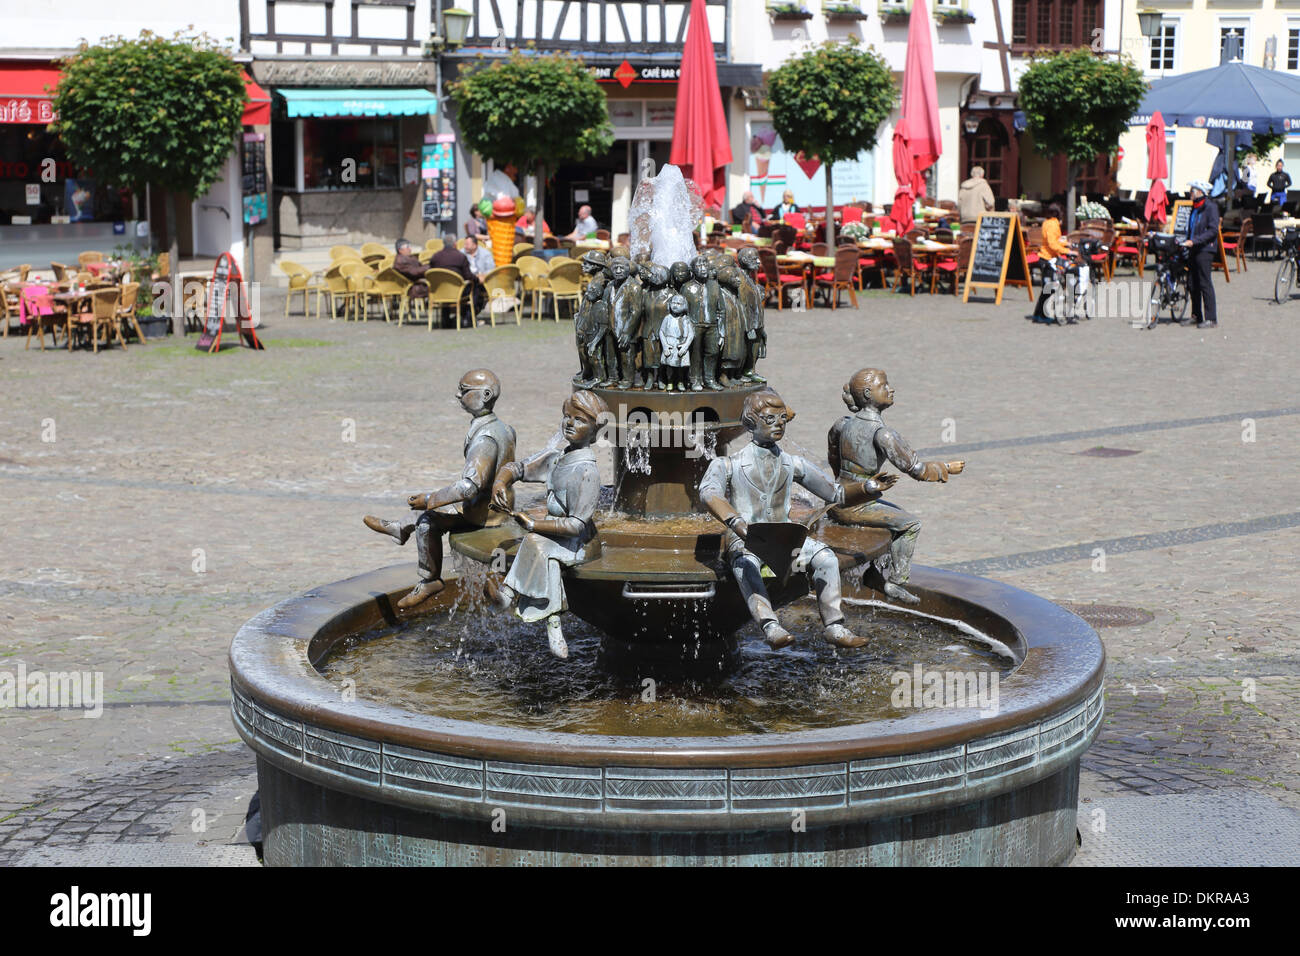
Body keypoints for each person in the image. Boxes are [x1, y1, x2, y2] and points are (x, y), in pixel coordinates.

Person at [698, 389, 894, 650]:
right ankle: (770, 626)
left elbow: (835, 493)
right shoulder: (728, 464)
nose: (778, 424)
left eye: (782, 419)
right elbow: (708, 493)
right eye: (769, 419)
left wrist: (868, 488)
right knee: (746, 564)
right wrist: (737, 523)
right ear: (750, 422)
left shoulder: (793, 463)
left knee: (825, 557)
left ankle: (834, 626)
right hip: (747, 539)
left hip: (784, 538)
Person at [363, 370, 516, 610]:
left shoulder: (485, 438)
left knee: (427, 521)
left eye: (464, 390)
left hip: (484, 516)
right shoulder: (505, 428)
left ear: (485, 395)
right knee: (436, 510)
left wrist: (429, 498)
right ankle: (400, 528)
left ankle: (430, 579)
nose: (458, 395)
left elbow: (469, 487)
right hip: (495, 508)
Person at [485, 389, 608, 659]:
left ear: (596, 429)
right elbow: (519, 468)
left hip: (578, 542)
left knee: (538, 546)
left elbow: (576, 525)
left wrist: (532, 524)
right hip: (553, 532)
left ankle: (509, 596)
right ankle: (552, 627)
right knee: (541, 548)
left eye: (580, 420)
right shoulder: (557, 457)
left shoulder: (586, 471)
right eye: (566, 416)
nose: (570, 423)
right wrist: (500, 482)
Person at [827, 369, 964, 606]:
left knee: (893, 514)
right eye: (884, 385)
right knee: (909, 524)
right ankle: (896, 583)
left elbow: (832, 455)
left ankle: (873, 573)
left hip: (838, 498)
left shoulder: (843, 424)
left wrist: (843, 485)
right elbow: (916, 469)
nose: (891, 389)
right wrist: (946, 468)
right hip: (857, 505)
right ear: (869, 394)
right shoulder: (884, 434)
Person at [1182, 180, 1219, 329]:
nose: (1190, 193)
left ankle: (1211, 318)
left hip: (1205, 249)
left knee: (1205, 283)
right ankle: (1196, 315)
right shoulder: (1195, 208)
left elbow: (1213, 230)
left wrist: (1196, 240)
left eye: (1192, 191)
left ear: (1200, 192)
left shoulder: (1210, 207)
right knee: (1192, 283)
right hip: (1193, 248)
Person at [1032, 203, 1073, 323]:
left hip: (1046, 258)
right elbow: (1052, 244)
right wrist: (1067, 250)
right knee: (1050, 288)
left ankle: (1038, 314)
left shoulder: (1047, 222)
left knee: (1047, 288)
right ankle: (1044, 315)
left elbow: (1054, 241)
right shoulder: (1053, 224)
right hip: (1048, 258)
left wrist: (1065, 244)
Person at [428, 233, 476, 325]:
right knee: (474, 287)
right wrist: (477, 279)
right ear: (455, 244)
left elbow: (431, 273)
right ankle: (467, 318)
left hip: (439, 291)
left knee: (444, 283)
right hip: (457, 292)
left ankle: (445, 319)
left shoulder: (435, 257)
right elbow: (468, 276)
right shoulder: (460, 257)